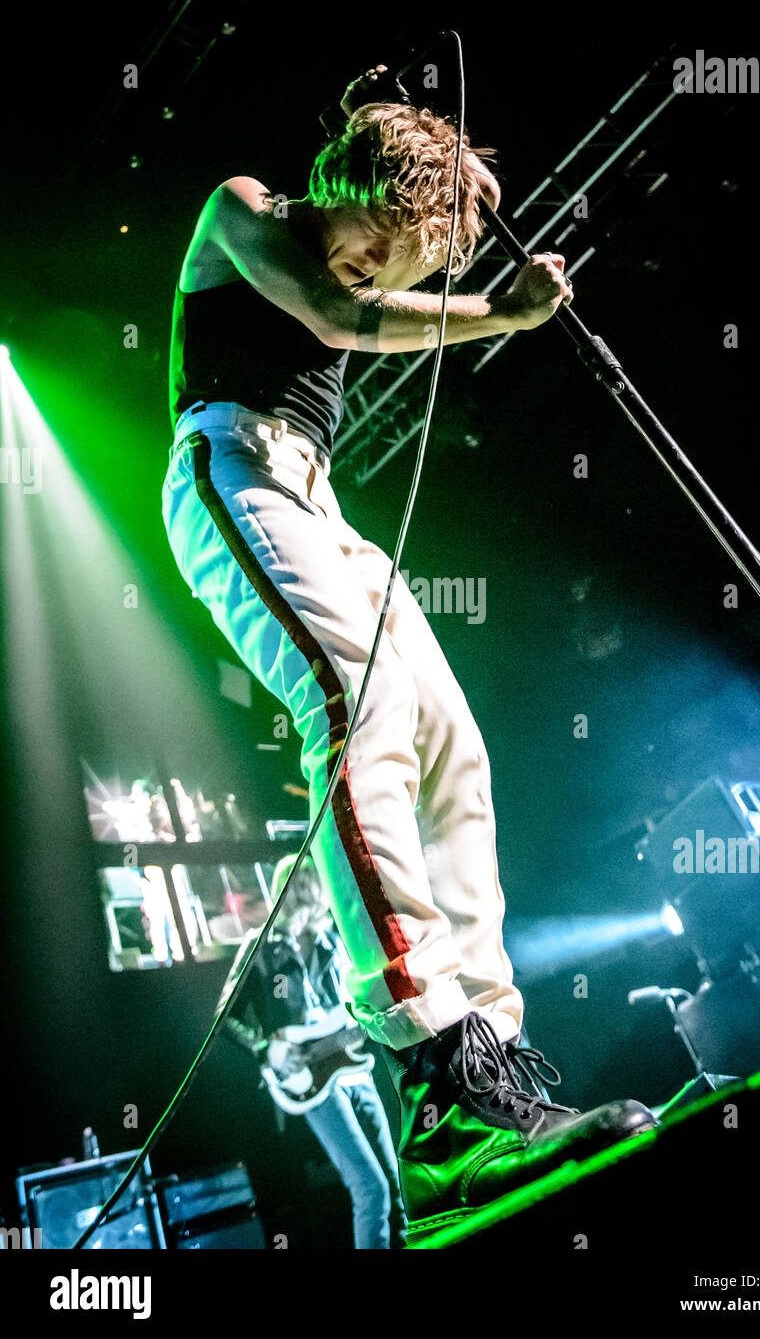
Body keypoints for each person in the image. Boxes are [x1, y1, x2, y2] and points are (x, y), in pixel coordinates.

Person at [162, 64, 657, 1237]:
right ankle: (431, 1062)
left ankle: (491, 1077)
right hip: (229, 473)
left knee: (450, 746)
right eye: (388, 241)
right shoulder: (245, 210)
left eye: (410, 268)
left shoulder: (358, 258)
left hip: (318, 499)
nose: (383, 277)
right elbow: (338, 321)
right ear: (360, 185)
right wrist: (500, 313)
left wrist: (482, 282)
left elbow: (359, 308)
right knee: (361, 706)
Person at [216, 855, 407, 1249]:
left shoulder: (333, 941)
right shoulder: (261, 947)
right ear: (281, 890)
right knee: (369, 1187)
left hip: (353, 1068)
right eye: (296, 882)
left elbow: (352, 1010)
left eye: (310, 881)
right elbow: (224, 1017)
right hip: (309, 1078)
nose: (305, 890)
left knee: (395, 1182)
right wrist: (265, 1049)